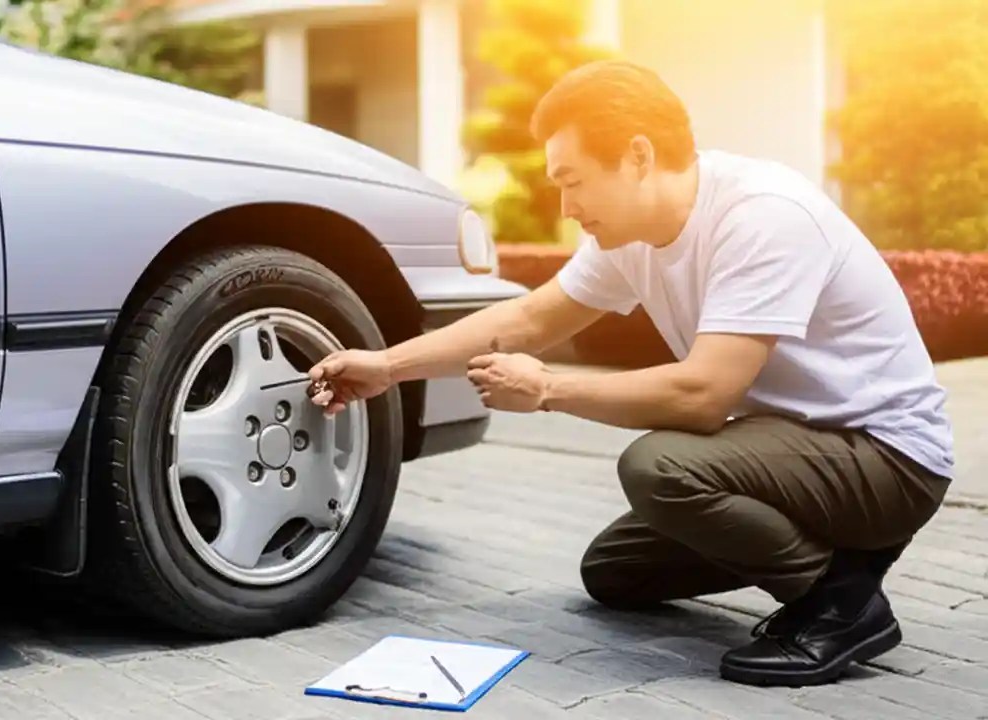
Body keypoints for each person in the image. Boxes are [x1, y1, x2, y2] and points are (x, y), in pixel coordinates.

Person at [307, 59, 954, 688]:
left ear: (638, 157)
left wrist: (548, 391)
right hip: (797, 447)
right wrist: (386, 367)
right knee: (616, 573)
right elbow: (532, 319)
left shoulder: (762, 216)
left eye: (575, 180)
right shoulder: (633, 234)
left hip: (889, 459)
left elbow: (703, 397)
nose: (565, 206)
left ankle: (844, 607)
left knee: (659, 468)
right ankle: (846, 556)